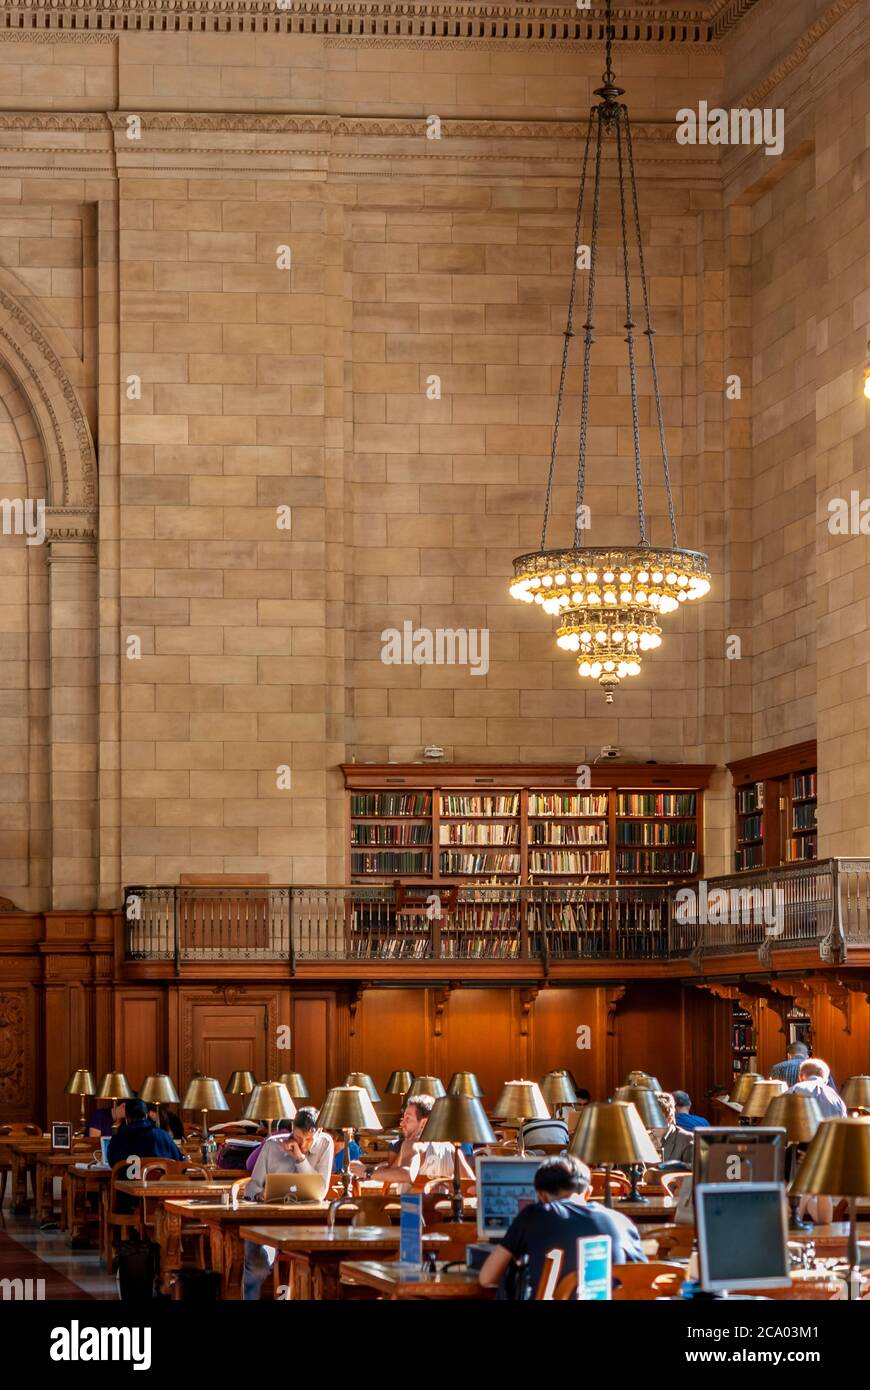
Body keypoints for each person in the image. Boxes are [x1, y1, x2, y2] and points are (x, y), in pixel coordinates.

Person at [479, 1156, 646, 1297]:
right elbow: (643, 1281)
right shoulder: (622, 1221)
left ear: (541, 1196)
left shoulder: (534, 1215)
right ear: (588, 1192)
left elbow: (487, 1278)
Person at [243, 1109, 334, 1300]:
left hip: (308, 1226)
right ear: (293, 1129)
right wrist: (260, 1195)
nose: (303, 1144)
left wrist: (299, 1158)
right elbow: (251, 1187)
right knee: (256, 1261)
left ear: (319, 1131)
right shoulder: (272, 1145)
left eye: (309, 1139)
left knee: (322, 1265)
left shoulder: (326, 1144)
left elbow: (320, 1191)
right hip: (269, 1223)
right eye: (299, 1138)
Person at [348, 1094, 473, 1192]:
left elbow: (407, 1174)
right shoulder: (451, 1149)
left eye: (408, 1119)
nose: (402, 1123)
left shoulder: (412, 1144)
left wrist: (366, 1172)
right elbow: (472, 1186)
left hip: (412, 1219)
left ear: (423, 1123)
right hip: (443, 1221)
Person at [656, 1093, 694, 1166]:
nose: (650, 1123)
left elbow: (690, 1174)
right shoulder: (644, 1137)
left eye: (655, 1119)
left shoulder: (687, 1139)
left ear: (669, 1118)